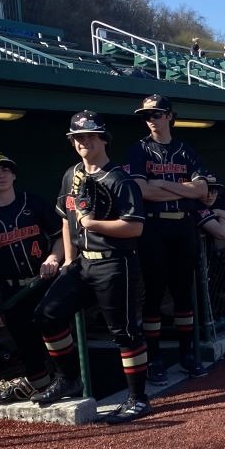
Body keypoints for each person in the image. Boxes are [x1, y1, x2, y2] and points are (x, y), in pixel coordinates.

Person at [31, 111, 151, 424]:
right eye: (78, 138)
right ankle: (70, 379)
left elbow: (134, 227)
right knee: (47, 314)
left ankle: (138, 399)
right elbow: (64, 217)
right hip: (82, 263)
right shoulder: (71, 175)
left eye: (90, 136)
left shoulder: (119, 178)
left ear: (102, 139)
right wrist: (69, 259)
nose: (84, 142)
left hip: (116, 263)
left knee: (125, 333)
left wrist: (93, 223)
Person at [126, 94, 208, 386]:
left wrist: (161, 184)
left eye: (157, 114)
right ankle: (155, 359)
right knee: (154, 294)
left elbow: (202, 191)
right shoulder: (138, 150)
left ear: (170, 116)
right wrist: (181, 188)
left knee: (184, 293)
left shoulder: (185, 150)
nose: (151, 120)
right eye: (147, 116)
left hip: (183, 227)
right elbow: (141, 191)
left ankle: (188, 355)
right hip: (153, 230)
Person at [0, 152, 64, 400]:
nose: (0, 175)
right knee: (27, 346)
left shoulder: (32, 203)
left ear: (14, 175)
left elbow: (60, 235)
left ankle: (68, 381)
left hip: (43, 282)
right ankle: (42, 390)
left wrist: (54, 258)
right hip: (12, 292)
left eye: (5, 170)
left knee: (58, 335)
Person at [194, 172, 225, 240]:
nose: (210, 196)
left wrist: (219, 212)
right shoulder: (195, 205)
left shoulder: (218, 202)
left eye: (213, 191)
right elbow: (222, 234)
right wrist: (222, 216)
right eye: (206, 191)